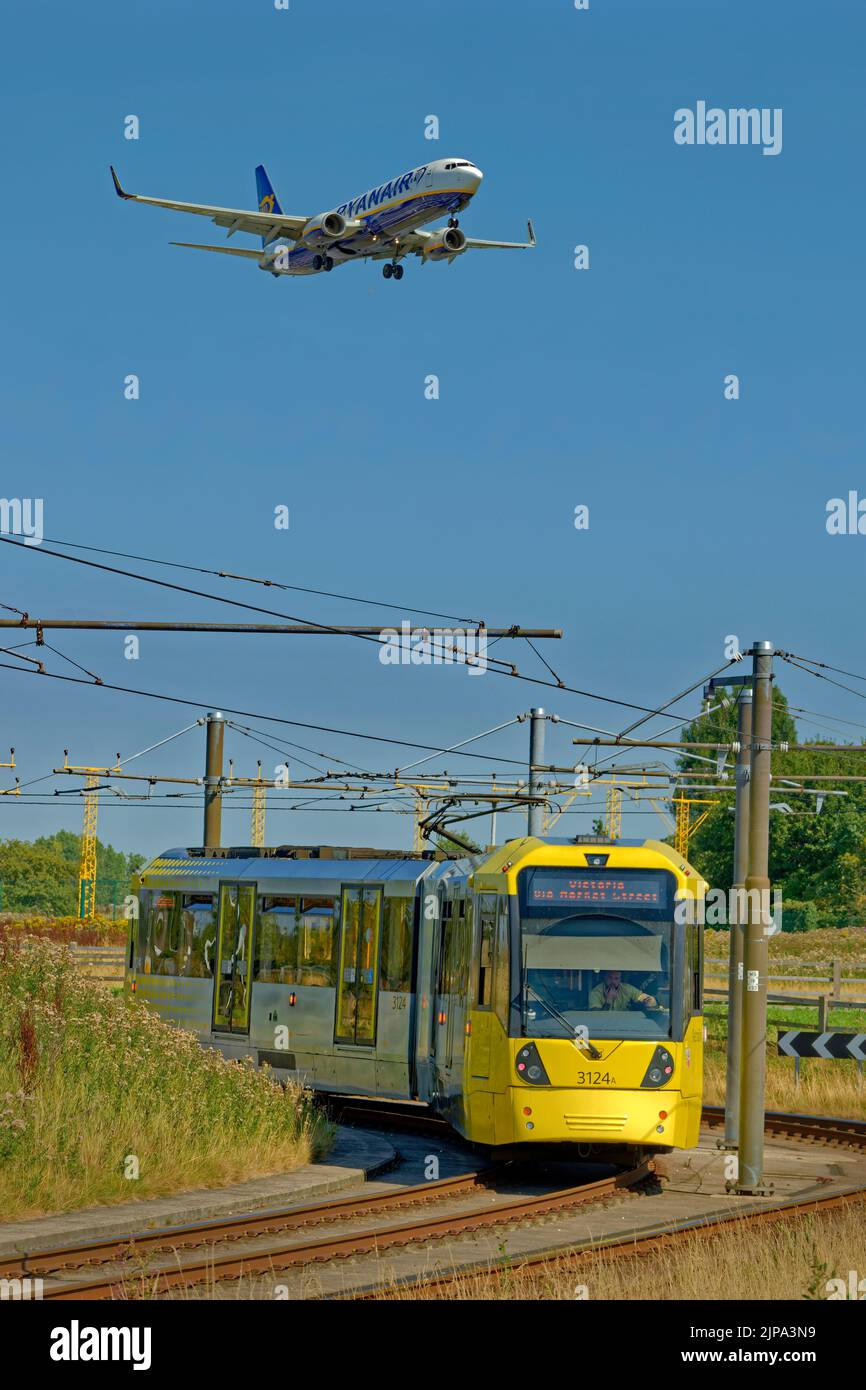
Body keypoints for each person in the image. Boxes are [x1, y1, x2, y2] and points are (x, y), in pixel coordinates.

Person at [589, 969, 657, 1011]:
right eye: (610, 977)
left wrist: (648, 1000)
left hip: (625, 1025)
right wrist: (608, 1001)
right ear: (605, 977)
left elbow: (644, 998)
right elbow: (597, 1018)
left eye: (616, 978)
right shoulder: (596, 992)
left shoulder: (627, 989)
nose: (612, 981)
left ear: (620, 979)